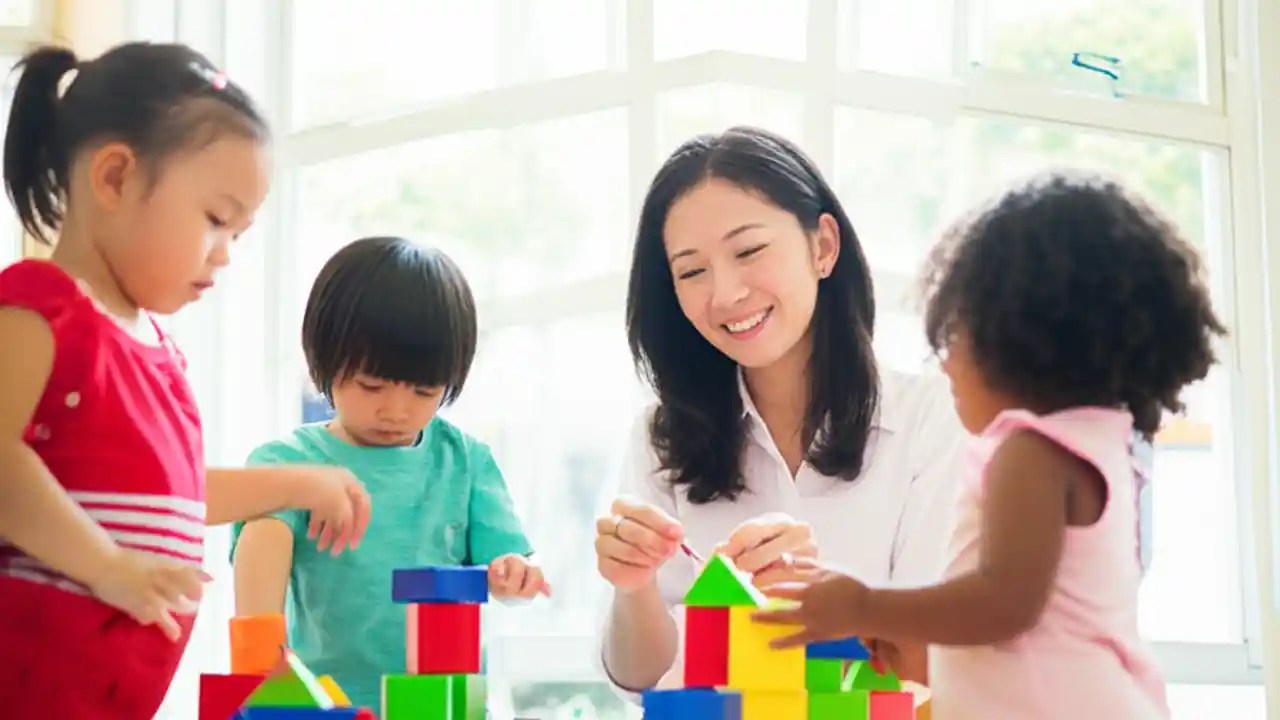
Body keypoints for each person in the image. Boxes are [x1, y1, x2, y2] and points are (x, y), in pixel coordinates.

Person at [756, 171, 1225, 718]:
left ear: (1017, 339)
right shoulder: (1095, 440)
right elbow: (1026, 626)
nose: (944, 362)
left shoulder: (1031, 451)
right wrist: (905, 635)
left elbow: (1005, 603)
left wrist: (866, 606)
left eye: (954, 336)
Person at [0, 43, 372, 719]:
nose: (225, 254)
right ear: (113, 177)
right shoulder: (38, 310)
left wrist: (300, 483)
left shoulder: (157, 352)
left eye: (240, 232)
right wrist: (109, 568)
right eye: (214, 219)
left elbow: (169, 495)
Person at [593, 126, 966, 693]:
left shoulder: (929, 419)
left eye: (748, 251)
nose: (725, 294)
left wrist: (832, 604)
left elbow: (937, 662)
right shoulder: (660, 436)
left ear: (823, 246)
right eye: (692, 271)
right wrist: (633, 585)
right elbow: (640, 679)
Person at [231, 237, 548, 709]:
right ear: (327, 362)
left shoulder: (465, 462)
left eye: (424, 391)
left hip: (440, 704)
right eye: (372, 385)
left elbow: (511, 573)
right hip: (327, 702)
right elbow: (259, 556)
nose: (396, 411)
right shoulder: (287, 464)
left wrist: (515, 575)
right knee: (264, 519)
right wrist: (261, 674)